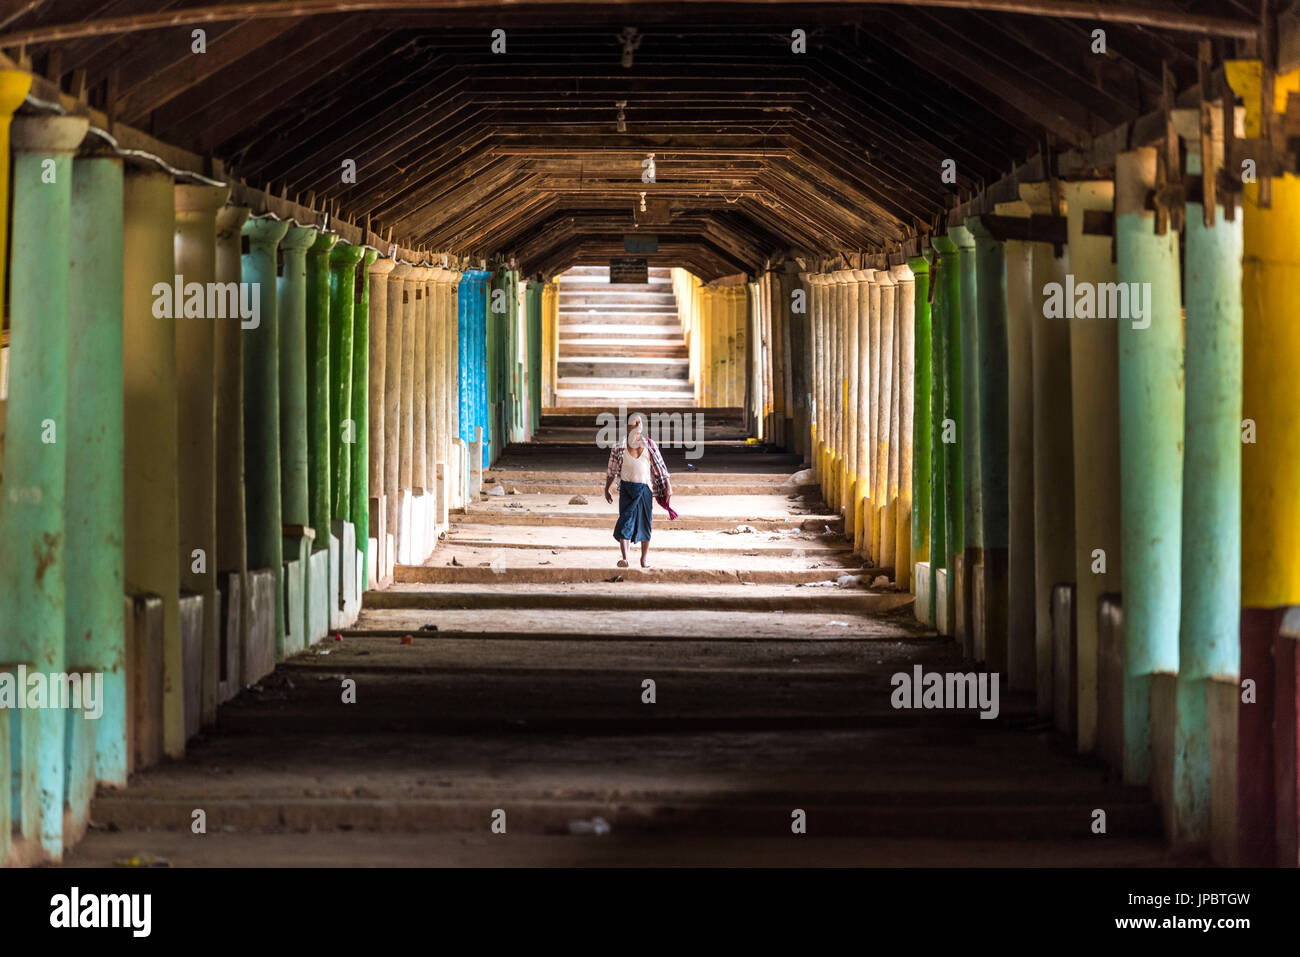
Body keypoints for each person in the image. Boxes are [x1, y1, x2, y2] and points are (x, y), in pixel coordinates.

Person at [604, 413, 676, 568]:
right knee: (625, 521)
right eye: (634, 423)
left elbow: (660, 468)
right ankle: (625, 558)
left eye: (640, 423)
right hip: (627, 489)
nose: (637, 425)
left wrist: (668, 486)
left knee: (645, 523)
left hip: (644, 490)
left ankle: (644, 559)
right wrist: (606, 488)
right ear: (627, 427)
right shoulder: (619, 447)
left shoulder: (650, 445)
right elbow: (612, 470)